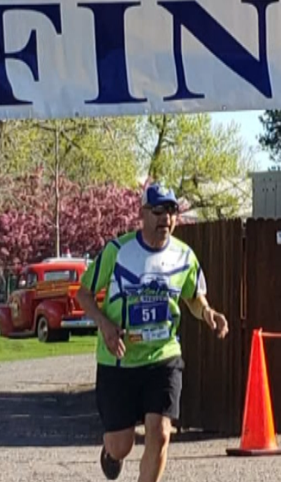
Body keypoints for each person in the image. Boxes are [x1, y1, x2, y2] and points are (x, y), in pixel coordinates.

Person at [76, 183, 229, 482]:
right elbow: (84, 294)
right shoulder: (117, 251)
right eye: (158, 211)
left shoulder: (184, 256)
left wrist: (209, 313)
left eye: (171, 212)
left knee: (160, 433)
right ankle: (111, 453)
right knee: (122, 445)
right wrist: (105, 324)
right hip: (119, 361)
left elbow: (194, 298)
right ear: (142, 213)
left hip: (163, 356)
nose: (166, 219)